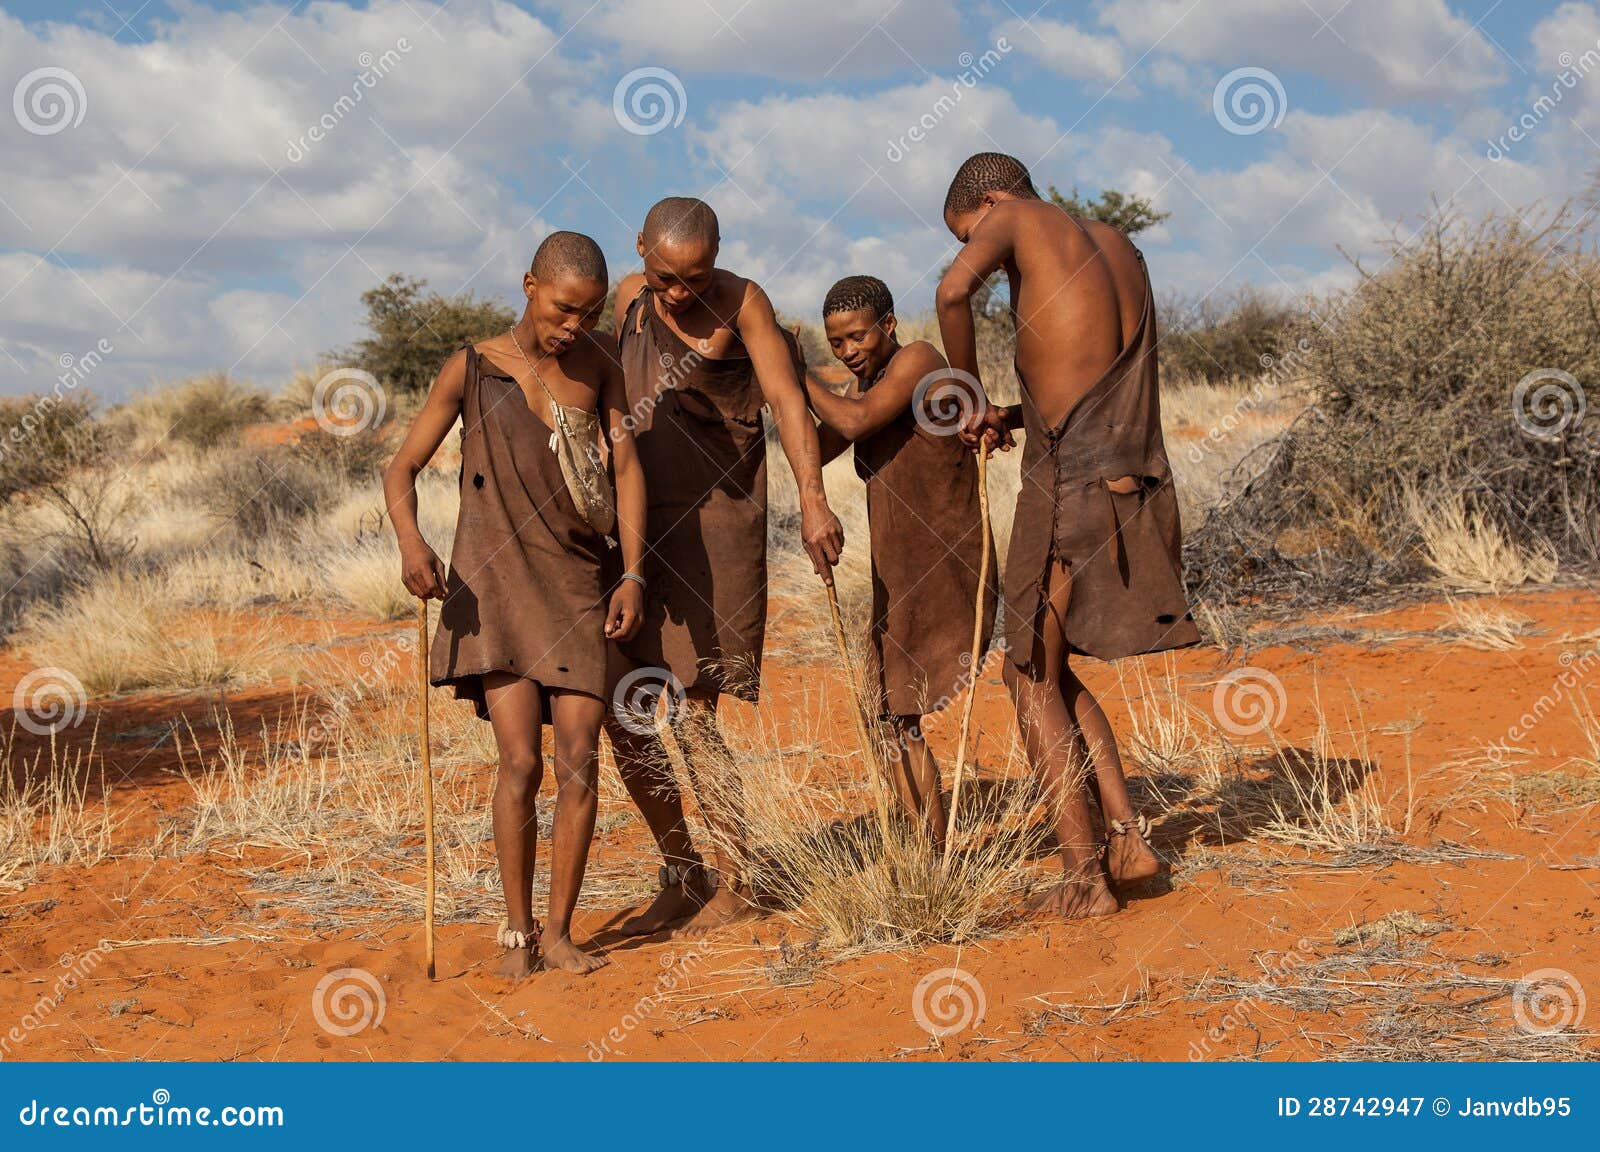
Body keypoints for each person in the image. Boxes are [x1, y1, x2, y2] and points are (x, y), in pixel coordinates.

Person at [935, 153, 1200, 919]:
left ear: (991, 200)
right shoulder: (1117, 246)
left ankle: (1084, 879)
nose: (976, 246)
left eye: (968, 231)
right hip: (1133, 485)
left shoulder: (1018, 218)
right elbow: (1086, 378)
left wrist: (971, 395)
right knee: (1047, 669)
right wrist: (1015, 415)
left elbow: (952, 292)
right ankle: (1126, 838)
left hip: (1068, 491)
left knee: (1025, 675)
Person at [383, 231, 648, 976]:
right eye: (565, 309)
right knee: (519, 762)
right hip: (494, 588)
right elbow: (400, 467)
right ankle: (516, 932)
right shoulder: (470, 368)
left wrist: (634, 574)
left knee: (579, 760)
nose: (575, 327)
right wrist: (412, 545)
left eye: (590, 314)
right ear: (530, 284)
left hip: (576, 584)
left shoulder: (601, 367)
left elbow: (625, 464)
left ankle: (561, 933)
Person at [605, 196, 844, 939]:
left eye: (695, 276)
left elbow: (787, 401)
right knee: (625, 707)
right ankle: (682, 872)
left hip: (716, 527)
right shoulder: (625, 301)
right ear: (640, 248)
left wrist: (813, 500)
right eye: (665, 277)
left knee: (692, 706)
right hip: (638, 527)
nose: (680, 293)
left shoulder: (743, 302)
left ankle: (740, 876)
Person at [803, 274, 996, 847]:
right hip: (900, 573)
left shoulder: (917, 358)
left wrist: (798, 374)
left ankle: (931, 849)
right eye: (836, 344)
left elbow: (853, 424)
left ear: (888, 325)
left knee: (896, 707)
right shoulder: (870, 385)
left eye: (857, 337)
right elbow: (818, 443)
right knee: (888, 713)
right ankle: (924, 845)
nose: (848, 351)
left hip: (941, 564)